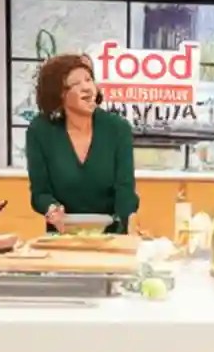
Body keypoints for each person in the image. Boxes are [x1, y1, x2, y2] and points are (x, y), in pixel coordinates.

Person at [25, 53, 139, 234]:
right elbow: (40, 193)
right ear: (60, 94)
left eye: (89, 80)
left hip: (112, 237)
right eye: (76, 84)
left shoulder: (117, 128)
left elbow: (125, 190)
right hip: (62, 236)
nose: (87, 88)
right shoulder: (40, 130)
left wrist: (125, 224)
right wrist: (52, 209)